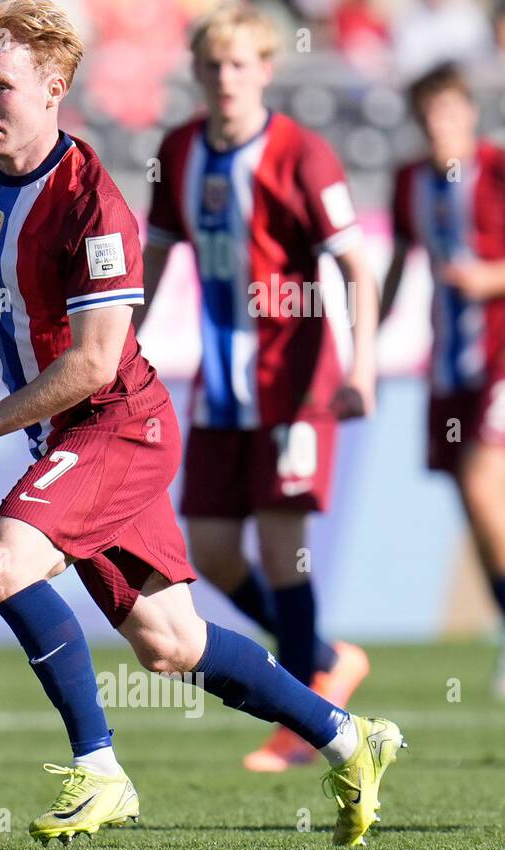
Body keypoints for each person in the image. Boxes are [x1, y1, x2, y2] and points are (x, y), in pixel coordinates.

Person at [0, 0, 402, 847]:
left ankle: (99, 769)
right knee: (171, 644)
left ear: (54, 88)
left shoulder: (95, 209)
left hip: (118, 425)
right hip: (76, 435)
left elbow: (92, 364)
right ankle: (350, 737)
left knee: (5, 558)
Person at [138, 2, 378, 772]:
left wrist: (363, 366)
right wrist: (116, 347)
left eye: (241, 64)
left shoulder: (303, 154)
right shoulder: (179, 151)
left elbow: (356, 268)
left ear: (267, 70)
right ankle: (326, 658)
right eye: (213, 65)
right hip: (221, 384)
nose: (226, 79)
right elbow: (155, 257)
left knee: (283, 547)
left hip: (294, 384)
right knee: (208, 544)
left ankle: (307, 714)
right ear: (198, 72)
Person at [380, 63, 505, 697]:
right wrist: (366, 340)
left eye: (448, 114)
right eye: (427, 117)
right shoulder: (410, 182)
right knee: (469, 495)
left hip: (501, 356)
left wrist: (491, 277)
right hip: (449, 362)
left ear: (469, 114)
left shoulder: (498, 169)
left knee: (485, 485)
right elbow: (401, 264)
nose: (439, 128)